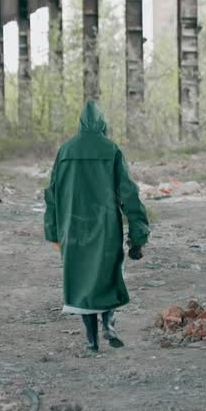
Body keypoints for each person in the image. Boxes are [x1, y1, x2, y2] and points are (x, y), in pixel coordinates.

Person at [43, 101, 151, 352]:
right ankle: (109, 324)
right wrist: (138, 235)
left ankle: (92, 341)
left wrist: (52, 231)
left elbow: (52, 194)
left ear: (80, 124)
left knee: (82, 284)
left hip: (72, 230)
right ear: (103, 124)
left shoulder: (65, 150)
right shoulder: (111, 149)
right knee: (108, 276)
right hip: (106, 228)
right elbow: (129, 193)